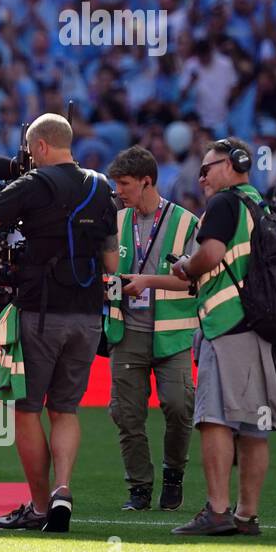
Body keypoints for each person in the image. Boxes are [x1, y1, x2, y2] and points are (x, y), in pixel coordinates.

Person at [0, 113, 118, 533]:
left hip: (39, 312)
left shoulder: (31, 184)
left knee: (26, 410)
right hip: (87, 316)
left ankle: (38, 505)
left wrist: (8, 256)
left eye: (31, 151)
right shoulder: (102, 187)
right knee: (65, 409)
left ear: (41, 147)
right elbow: (112, 260)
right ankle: (62, 489)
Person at [170, 138, 276, 536]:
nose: (202, 176)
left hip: (227, 328)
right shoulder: (263, 205)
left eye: (208, 168)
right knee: (256, 428)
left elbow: (210, 254)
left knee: (214, 420)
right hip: (267, 330)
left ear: (235, 163)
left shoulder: (224, 204)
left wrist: (187, 267)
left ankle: (218, 511)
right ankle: (246, 515)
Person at [102, 146, 198, 513]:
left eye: (124, 184)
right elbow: (107, 275)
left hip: (172, 335)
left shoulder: (188, 223)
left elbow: (194, 283)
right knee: (127, 414)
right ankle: (139, 488)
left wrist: (146, 281)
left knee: (178, 407)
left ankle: (173, 476)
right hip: (125, 333)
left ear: (147, 181)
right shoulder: (114, 222)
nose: (119, 191)